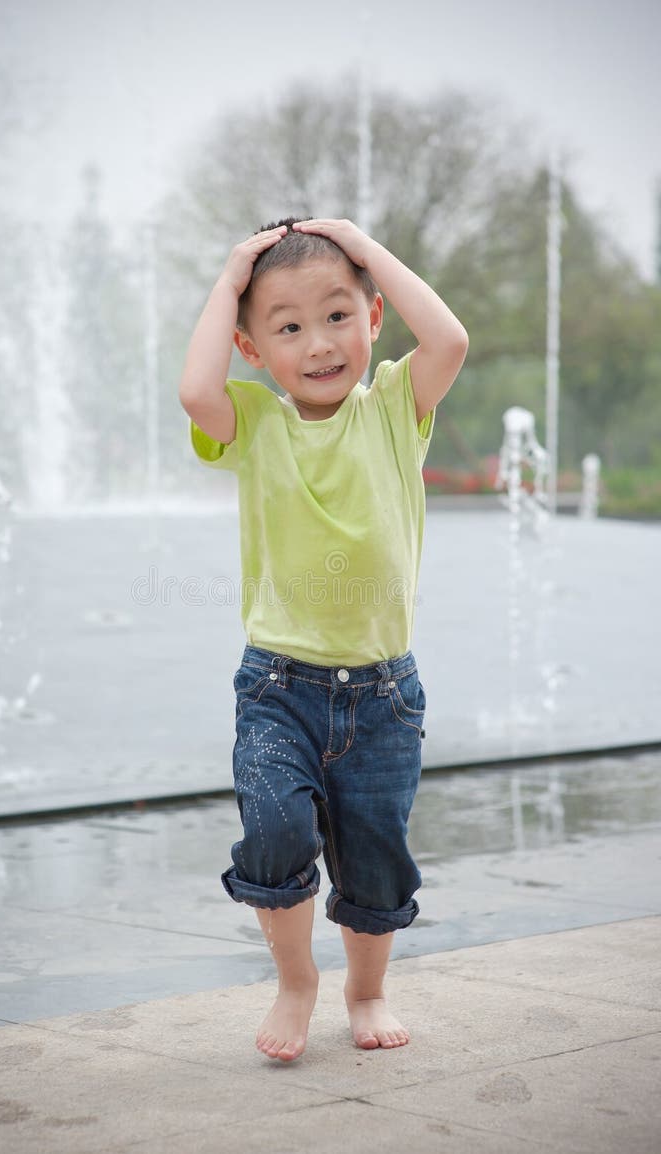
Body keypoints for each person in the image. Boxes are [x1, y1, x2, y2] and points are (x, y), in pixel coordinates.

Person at [179, 217, 468, 1062]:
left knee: (375, 861)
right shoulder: (254, 421)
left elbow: (448, 336)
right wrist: (232, 271)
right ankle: (296, 979)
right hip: (279, 686)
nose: (318, 344)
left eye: (339, 315)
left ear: (374, 316)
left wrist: (367, 249)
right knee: (273, 830)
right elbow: (196, 391)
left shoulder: (392, 410)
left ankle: (368, 987)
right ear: (251, 345)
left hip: (383, 693)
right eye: (289, 326)